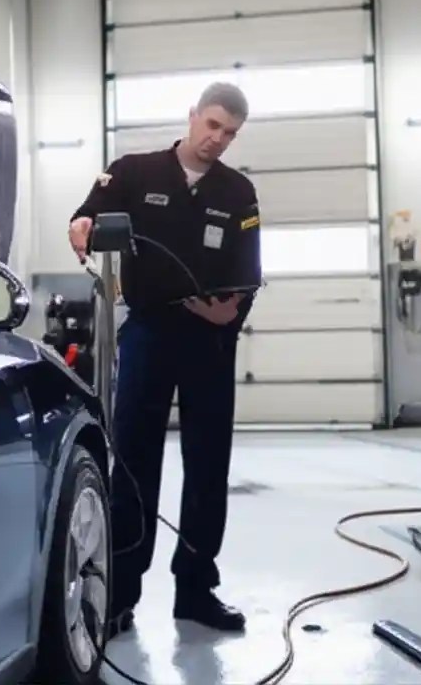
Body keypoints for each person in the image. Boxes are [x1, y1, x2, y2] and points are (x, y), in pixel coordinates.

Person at [68, 82, 262, 637]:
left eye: (229, 133)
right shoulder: (134, 172)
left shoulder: (238, 192)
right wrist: (80, 223)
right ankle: (120, 593)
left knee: (207, 464)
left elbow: (249, 267)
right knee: (133, 461)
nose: (217, 140)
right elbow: (90, 213)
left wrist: (234, 313)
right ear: (193, 116)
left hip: (210, 341)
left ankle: (196, 590)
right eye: (213, 125)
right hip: (150, 331)